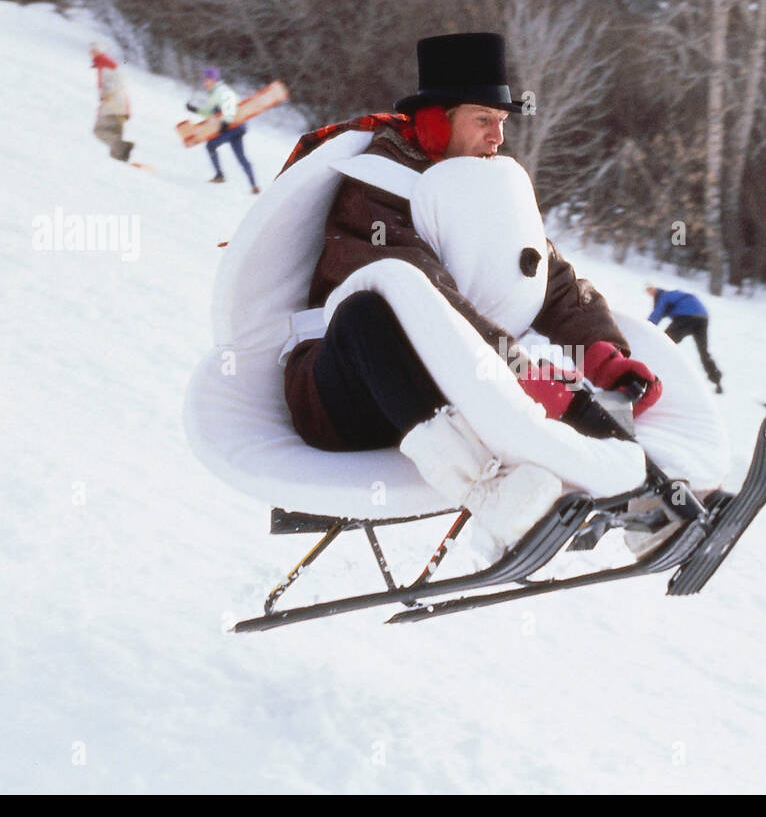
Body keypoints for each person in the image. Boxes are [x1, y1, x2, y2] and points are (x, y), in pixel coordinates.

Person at [280, 33, 664, 560]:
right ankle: (488, 498)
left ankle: (656, 510)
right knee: (370, 311)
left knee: (563, 399)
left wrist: (602, 353)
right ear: (437, 120)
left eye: (502, 123)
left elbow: (540, 271)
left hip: (443, 382)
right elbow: (427, 302)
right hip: (342, 392)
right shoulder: (375, 187)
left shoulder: (475, 184)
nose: (497, 137)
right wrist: (519, 372)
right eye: (484, 119)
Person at [186, 68, 259, 194]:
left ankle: (219, 175)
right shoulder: (215, 92)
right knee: (240, 157)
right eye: (204, 79)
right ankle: (254, 185)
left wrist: (226, 120)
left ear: (214, 80)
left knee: (210, 145)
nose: (205, 82)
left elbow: (230, 103)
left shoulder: (221, 90)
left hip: (232, 127)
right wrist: (194, 110)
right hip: (237, 127)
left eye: (207, 79)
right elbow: (211, 113)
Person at [646, 285, 723, 393]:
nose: (650, 293)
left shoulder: (664, 295)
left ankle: (653, 370)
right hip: (703, 317)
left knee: (665, 342)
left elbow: (657, 313)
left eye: (651, 290)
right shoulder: (675, 295)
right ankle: (717, 381)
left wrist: (646, 328)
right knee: (703, 351)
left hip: (687, 316)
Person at [90, 42, 133, 162]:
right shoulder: (107, 64)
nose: (91, 55)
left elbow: (114, 82)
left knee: (99, 130)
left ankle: (123, 149)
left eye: (93, 51)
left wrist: (106, 93)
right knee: (115, 133)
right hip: (121, 104)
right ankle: (121, 158)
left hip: (113, 104)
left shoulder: (105, 64)